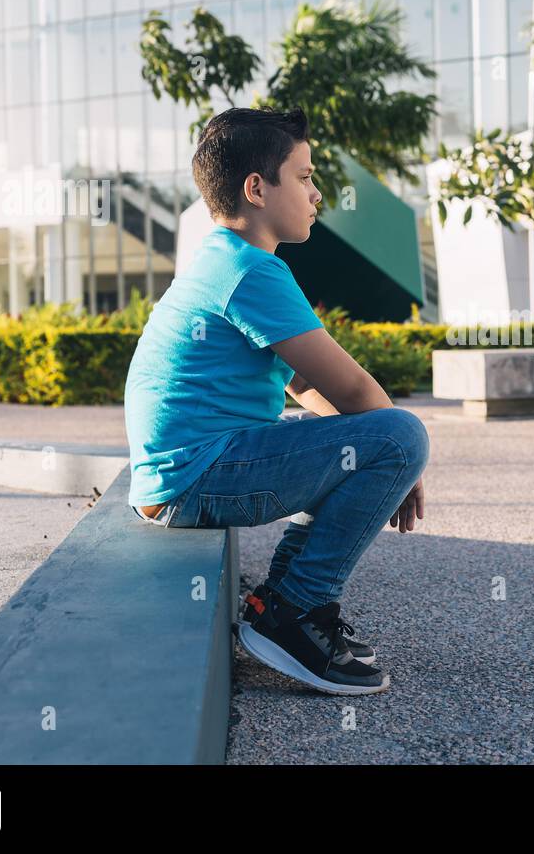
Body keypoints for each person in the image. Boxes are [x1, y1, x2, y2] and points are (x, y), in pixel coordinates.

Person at [123, 106, 429, 696]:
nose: (317, 193)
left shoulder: (223, 260)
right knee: (402, 433)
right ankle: (296, 613)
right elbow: (356, 391)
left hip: (180, 476)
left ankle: (281, 597)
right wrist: (399, 455)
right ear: (257, 188)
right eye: (306, 175)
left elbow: (301, 384)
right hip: (195, 476)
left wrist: (383, 458)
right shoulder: (250, 271)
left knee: (371, 438)